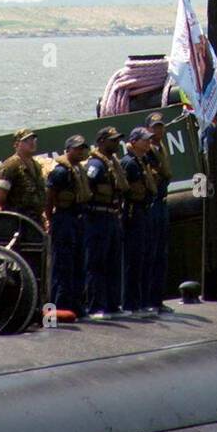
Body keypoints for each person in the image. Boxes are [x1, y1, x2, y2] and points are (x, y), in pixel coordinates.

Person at [45, 134, 91, 317]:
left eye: (82, 148)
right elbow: (49, 198)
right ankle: (60, 307)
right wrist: (51, 219)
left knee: (78, 264)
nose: (80, 151)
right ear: (68, 150)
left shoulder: (79, 169)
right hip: (64, 219)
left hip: (78, 219)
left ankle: (76, 305)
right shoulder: (60, 172)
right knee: (63, 266)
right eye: (77, 148)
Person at [83, 127, 127, 318]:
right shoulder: (95, 165)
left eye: (117, 140)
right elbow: (86, 189)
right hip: (98, 218)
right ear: (101, 142)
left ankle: (112, 304)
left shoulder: (112, 163)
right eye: (112, 140)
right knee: (96, 263)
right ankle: (95, 306)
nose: (116, 143)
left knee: (113, 263)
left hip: (112, 218)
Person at [120, 127, 158, 317]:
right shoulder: (129, 163)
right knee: (133, 260)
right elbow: (123, 192)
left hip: (144, 212)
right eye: (144, 140)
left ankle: (141, 302)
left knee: (144, 258)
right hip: (133, 214)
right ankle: (130, 304)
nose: (148, 143)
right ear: (134, 142)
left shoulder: (143, 160)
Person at [145, 112, 174, 313]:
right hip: (152, 206)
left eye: (160, 126)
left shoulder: (161, 148)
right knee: (151, 254)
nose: (158, 130)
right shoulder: (146, 154)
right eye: (154, 127)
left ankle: (157, 300)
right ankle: (147, 301)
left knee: (161, 255)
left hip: (162, 205)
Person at [0, 129, 48, 229]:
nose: (32, 142)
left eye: (33, 139)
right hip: (18, 222)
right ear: (17, 144)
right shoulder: (10, 166)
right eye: (26, 140)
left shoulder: (36, 165)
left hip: (36, 220)